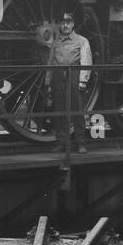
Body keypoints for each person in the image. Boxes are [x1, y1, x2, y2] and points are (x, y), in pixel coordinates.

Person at [47, 11, 92, 152]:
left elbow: (86, 61)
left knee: (77, 110)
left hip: (74, 75)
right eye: (62, 22)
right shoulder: (56, 42)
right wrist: (47, 82)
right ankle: (62, 142)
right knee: (60, 110)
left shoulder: (82, 41)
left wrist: (83, 81)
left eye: (68, 22)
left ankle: (80, 143)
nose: (65, 25)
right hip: (58, 76)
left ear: (73, 24)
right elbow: (50, 63)